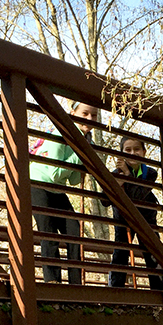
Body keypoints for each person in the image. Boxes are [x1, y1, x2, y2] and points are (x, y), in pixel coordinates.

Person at [30, 102, 98, 284]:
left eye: (94, 115)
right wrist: (80, 152)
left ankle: (75, 283)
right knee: (49, 233)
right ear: (72, 113)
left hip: (57, 189)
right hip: (38, 184)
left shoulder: (86, 140)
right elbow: (54, 173)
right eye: (84, 114)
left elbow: (74, 180)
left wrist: (84, 158)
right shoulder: (61, 132)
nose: (89, 119)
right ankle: (52, 282)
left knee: (73, 229)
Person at [106, 136, 163, 291]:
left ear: (144, 152)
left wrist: (127, 176)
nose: (133, 153)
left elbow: (138, 195)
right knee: (120, 254)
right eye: (128, 150)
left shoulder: (149, 173)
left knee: (154, 253)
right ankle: (115, 290)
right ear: (122, 153)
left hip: (146, 219)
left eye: (137, 149)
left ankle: (159, 292)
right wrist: (117, 181)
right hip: (123, 219)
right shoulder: (115, 173)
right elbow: (104, 200)